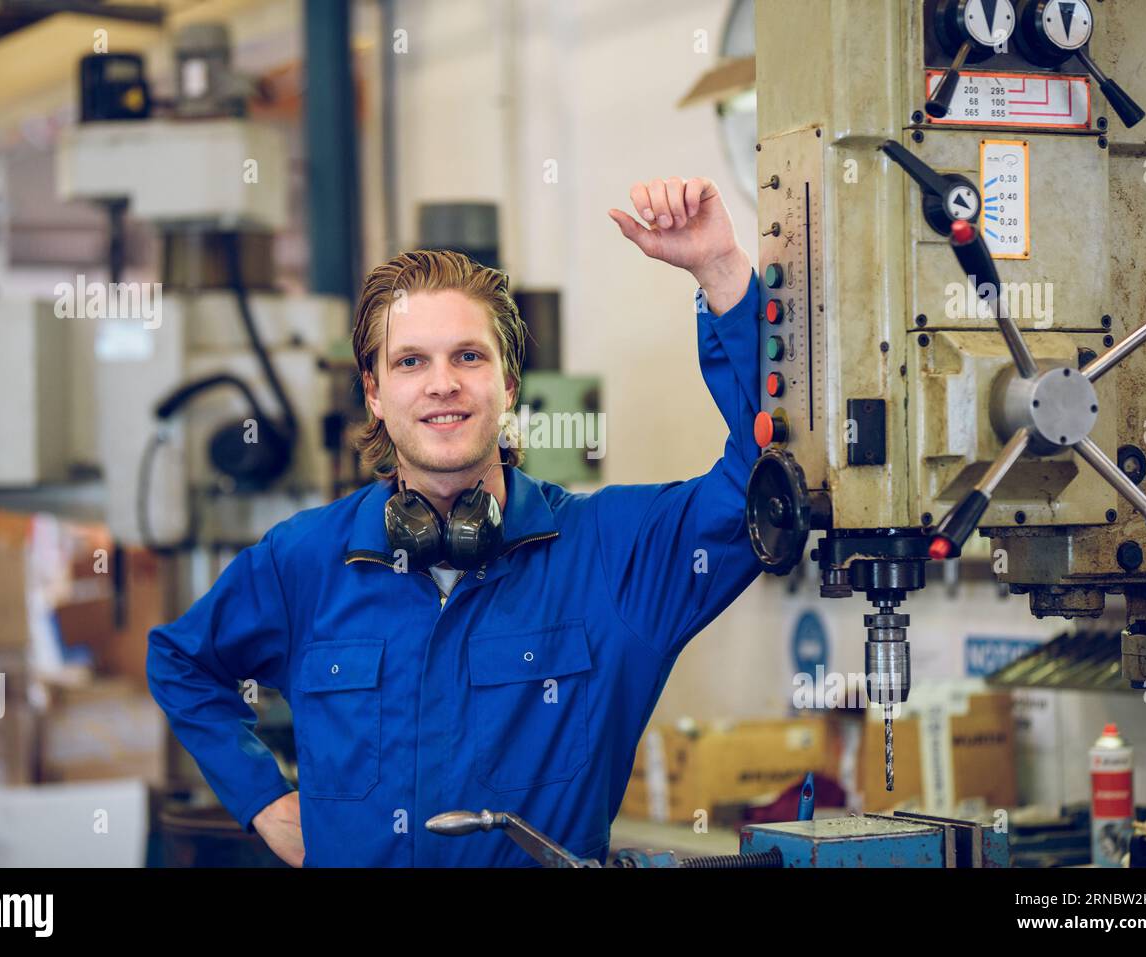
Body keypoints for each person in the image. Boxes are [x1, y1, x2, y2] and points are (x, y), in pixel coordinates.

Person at [147, 175, 764, 866]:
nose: (443, 383)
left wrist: (720, 270)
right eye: (411, 361)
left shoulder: (611, 554)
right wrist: (261, 797)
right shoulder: (306, 563)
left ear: (507, 384)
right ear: (375, 393)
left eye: (468, 356)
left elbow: (762, 481)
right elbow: (180, 659)